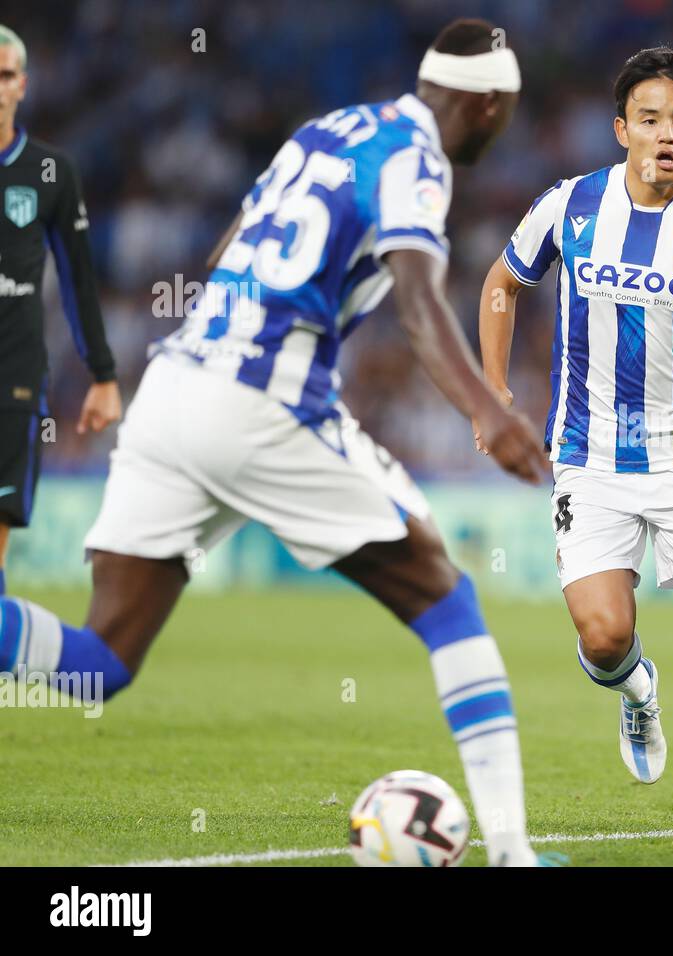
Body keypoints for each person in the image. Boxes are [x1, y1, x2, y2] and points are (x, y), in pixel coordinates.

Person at [0, 18, 554, 867]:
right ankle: (514, 855)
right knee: (448, 603)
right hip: (262, 403)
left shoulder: (326, 131)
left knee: (98, 661)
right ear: (488, 104)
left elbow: (228, 250)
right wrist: (487, 408)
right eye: (507, 113)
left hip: (175, 390)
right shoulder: (416, 159)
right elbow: (418, 300)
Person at [476, 46, 673, 831]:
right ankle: (636, 692)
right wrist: (491, 392)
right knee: (604, 634)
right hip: (588, 459)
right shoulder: (570, 206)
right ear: (622, 128)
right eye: (650, 119)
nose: (665, 134)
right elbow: (500, 285)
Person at [0, 24, 121, 595]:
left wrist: (103, 375)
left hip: (13, 376)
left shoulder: (50, 173)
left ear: (23, 84)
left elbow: (78, 280)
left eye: (5, 75)